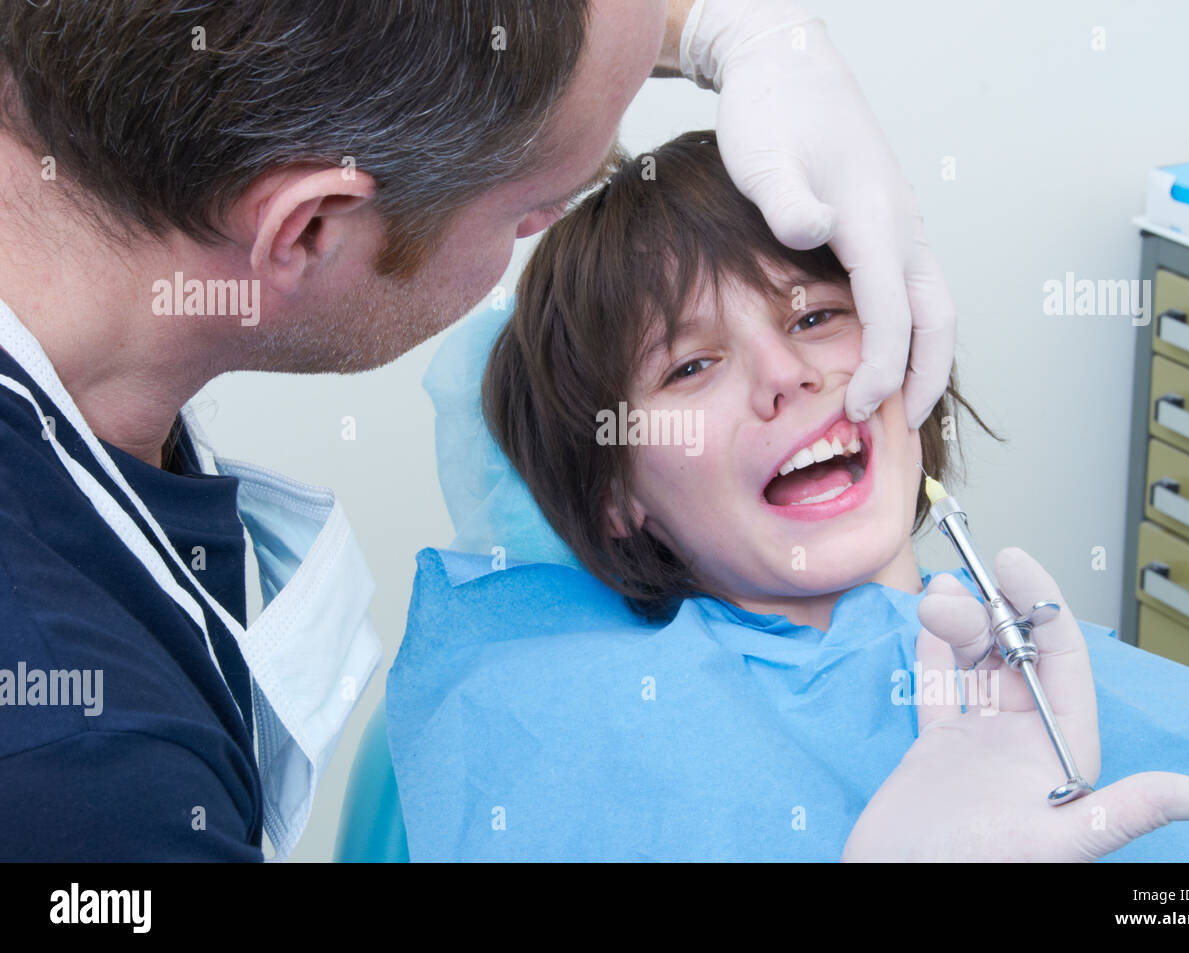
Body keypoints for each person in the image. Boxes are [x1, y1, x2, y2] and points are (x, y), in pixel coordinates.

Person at [0, 1, 955, 860]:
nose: (789, 377)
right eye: (533, 208)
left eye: (815, 316)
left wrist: (718, 29)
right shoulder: (87, 768)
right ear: (308, 231)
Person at [385, 131, 1189, 861]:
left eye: (816, 316)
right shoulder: (558, 731)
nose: (785, 375)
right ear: (618, 494)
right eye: (691, 364)